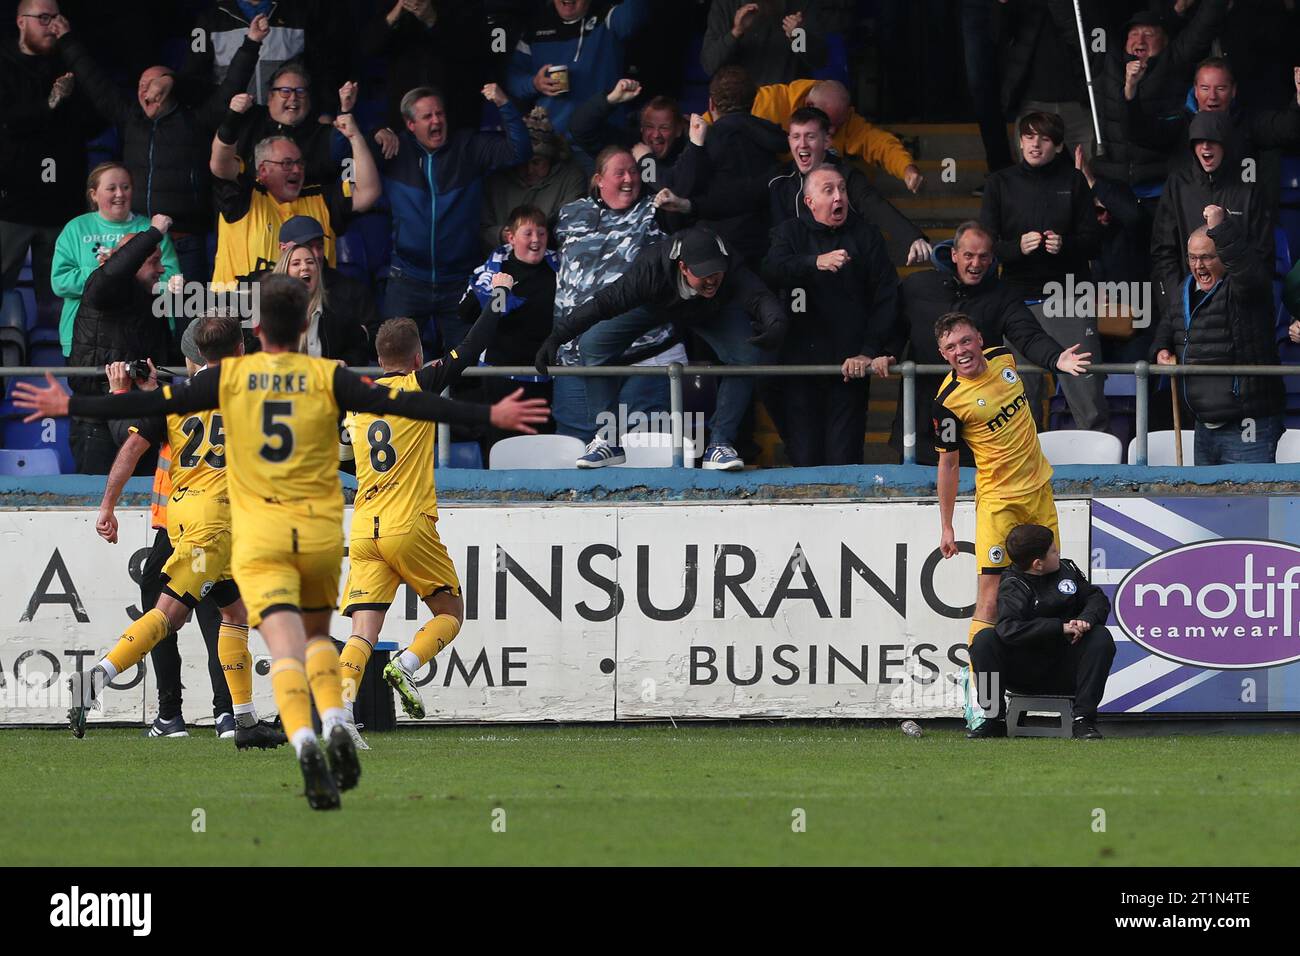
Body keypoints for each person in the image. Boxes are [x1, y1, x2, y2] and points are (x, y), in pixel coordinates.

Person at [14, 275, 550, 810]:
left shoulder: (202, 389)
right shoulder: (304, 381)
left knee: (237, 615)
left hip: (202, 518)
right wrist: (489, 414)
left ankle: (246, 720)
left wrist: (81, 404)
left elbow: (142, 420)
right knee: (201, 617)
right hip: (251, 525)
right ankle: (104, 680)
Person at [77, 318, 286, 750]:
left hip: (184, 510)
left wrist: (107, 505)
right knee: (171, 614)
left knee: (235, 613)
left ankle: (245, 721)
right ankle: (94, 680)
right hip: (218, 519)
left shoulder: (172, 397)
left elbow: (131, 449)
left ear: (198, 356)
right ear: (240, 350)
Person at [338, 303, 507, 746]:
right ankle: (407, 666)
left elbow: (341, 459)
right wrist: (501, 296)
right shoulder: (420, 385)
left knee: (363, 630)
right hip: (408, 524)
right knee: (450, 613)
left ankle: (338, 714)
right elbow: (470, 349)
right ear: (417, 359)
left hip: (363, 526)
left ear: (378, 361)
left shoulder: (356, 405)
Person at [929, 312, 1090, 731]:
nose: (961, 351)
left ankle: (1059, 682)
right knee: (990, 595)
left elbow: (1035, 346)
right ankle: (978, 701)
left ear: (979, 339)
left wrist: (1058, 360)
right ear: (943, 355)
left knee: (1053, 581)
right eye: (951, 348)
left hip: (1039, 493)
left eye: (966, 341)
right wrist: (947, 526)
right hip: (999, 503)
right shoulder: (948, 404)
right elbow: (948, 466)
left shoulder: (1005, 360)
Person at [537, 225, 787, 470]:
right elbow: (604, 303)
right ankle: (608, 440)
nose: (712, 280)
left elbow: (759, 296)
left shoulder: (730, 265)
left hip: (710, 312)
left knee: (747, 356)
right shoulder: (650, 269)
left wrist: (776, 323)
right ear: (683, 267)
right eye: (704, 274)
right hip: (654, 306)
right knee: (593, 345)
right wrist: (557, 337)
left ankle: (720, 444)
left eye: (716, 273)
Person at [49, 13, 266, 284]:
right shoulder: (130, 118)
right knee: (141, 316)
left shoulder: (197, 120)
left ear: (169, 88)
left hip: (186, 240)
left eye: (152, 85)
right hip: (140, 239)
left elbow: (231, 86)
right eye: (140, 85)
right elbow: (95, 83)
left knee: (187, 313)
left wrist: (252, 41)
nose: (144, 91)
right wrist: (67, 39)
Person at [870, 221, 1075, 465]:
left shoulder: (1002, 295)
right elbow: (894, 327)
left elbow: (1027, 335)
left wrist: (1056, 357)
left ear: (992, 259)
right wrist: (885, 352)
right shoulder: (917, 286)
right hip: (923, 416)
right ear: (954, 254)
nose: (975, 264)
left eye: (983, 257)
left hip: (980, 419)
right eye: (968, 255)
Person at [665, 105, 929, 266]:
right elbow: (736, 199)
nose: (802, 145)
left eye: (810, 137)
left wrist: (912, 237)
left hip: (845, 280)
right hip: (796, 282)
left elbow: (875, 206)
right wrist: (687, 205)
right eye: (795, 137)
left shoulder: (846, 178)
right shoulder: (780, 179)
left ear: (827, 142)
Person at [548, 144, 686, 444]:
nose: (629, 178)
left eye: (634, 171)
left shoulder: (657, 210)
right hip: (576, 359)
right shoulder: (570, 213)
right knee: (577, 450)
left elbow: (690, 209)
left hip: (644, 355)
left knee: (645, 450)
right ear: (599, 179)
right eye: (620, 172)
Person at [762, 165, 898, 466]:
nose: (839, 197)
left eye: (843, 189)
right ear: (810, 202)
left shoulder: (866, 235)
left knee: (844, 459)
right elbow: (771, 271)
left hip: (849, 369)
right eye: (829, 190)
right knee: (804, 457)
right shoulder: (790, 233)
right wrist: (814, 263)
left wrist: (869, 352)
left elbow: (887, 296)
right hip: (800, 369)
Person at [980, 110, 1106, 430]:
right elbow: (986, 245)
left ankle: (1095, 475)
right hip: (1018, 303)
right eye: (1029, 136)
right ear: (1020, 142)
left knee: (1087, 397)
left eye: (1045, 138)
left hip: (1070, 298)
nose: (1036, 144)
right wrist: (1015, 249)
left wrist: (1065, 245)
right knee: (1021, 401)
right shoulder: (999, 182)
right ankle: (1026, 474)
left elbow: (1094, 242)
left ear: (1059, 146)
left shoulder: (1073, 181)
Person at [380, 83, 530, 351]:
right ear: (410, 124)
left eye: (440, 114)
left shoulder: (468, 147)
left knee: (465, 368)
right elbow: (342, 153)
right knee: (396, 361)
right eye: (427, 117)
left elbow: (520, 151)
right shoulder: (397, 150)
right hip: (408, 278)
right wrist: (374, 132)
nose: (437, 120)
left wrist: (503, 103)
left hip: (460, 279)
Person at [1152, 207, 1285, 466]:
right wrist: (1161, 350)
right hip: (1203, 427)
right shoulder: (1185, 289)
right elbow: (1167, 327)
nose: (1198, 265)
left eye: (1206, 257)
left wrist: (1222, 229)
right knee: (1206, 507)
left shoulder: (1245, 290)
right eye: (1192, 258)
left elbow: (1249, 273)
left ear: (1223, 255)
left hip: (1248, 427)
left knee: (1249, 506)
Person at [1, 0, 103, 328]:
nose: (51, 25)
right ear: (20, 21)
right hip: (11, 206)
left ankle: (69, 377)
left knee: (64, 305)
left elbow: (97, 119)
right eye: (43, 18)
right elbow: (9, 121)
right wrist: (51, 103)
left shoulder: (68, 60)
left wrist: (72, 49)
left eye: (56, 18)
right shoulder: (4, 63)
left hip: (62, 208)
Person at [210, 97, 380, 286]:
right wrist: (232, 118)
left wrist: (354, 137)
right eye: (287, 163)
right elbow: (220, 164)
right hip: (241, 308)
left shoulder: (319, 197)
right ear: (263, 170)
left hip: (310, 310)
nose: (297, 170)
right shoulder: (244, 196)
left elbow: (368, 192)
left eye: (300, 163)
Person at [967, 523, 1115, 740]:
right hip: (1025, 672)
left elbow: (1096, 599)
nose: (1058, 554)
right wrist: (1059, 627)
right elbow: (1009, 628)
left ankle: (1084, 720)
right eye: (1053, 551)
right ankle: (993, 719)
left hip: (1067, 670)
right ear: (1037, 564)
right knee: (984, 640)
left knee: (1101, 637)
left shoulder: (1067, 571)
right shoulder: (1013, 584)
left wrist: (1086, 619)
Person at [67, 221, 176, 474]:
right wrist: (153, 234)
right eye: (154, 260)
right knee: (95, 508)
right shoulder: (102, 286)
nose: (162, 269)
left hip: (144, 417)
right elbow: (115, 272)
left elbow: (168, 357)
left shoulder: (153, 301)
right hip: (98, 422)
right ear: (134, 260)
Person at [1149, 111, 1272, 327]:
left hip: (1239, 309)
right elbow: (1163, 252)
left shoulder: (1249, 189)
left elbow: (1262, 254)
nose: (1205, 147)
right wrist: (1175, 307)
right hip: (1188, 308)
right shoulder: (1178, 184)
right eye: (1199, 141)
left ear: (1226, 144)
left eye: (1212, 140)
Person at [1093, 4, 1228, 192]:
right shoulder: (1106, 61)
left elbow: (1205, 25)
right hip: (1112, 181)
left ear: (1165, 41)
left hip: (1160, 182)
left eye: (1149, 34)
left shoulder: (1175, 60)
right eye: (1134, 34)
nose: (1140, 40)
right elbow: (1074, 21)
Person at [51, 163, 182, 358]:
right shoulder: (76, 228)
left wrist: (119, 273)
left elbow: (173, 281)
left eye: (125, 187)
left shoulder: (151, 229)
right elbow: (60, 282)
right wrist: (103, 271)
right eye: (111, 188)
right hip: (86, 339)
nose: (120, 194)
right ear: (94, 194)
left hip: (143, 338)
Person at [461, 205, 560, 452]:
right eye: (528, 233)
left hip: (545, 379)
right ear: (510, 237)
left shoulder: (560, 268)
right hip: (500, 380)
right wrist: (498, 293)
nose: (536, 239)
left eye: (541, 232)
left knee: (542, 452)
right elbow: (464, 312)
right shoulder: (493, 271)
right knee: (502, 449)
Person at [505, 0, 651, 142]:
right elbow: (512, 78)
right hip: (551, 142)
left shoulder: (607, 15)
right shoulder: (535, 25)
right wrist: (534, 84)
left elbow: (633, 17)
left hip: (598, 141)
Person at [750, 78, 924, 193]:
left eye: (837, 125)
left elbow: (878, 143)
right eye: (827, 124)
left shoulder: (845, 119)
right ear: (808, 105)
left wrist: (906, 168)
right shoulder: (767, 102)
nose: (832, 132)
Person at [480, 108, 587, 251]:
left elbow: (572, 226)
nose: (529, 170)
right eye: (522, 163)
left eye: (536, 162)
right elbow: (481, 228)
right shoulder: (496, 182)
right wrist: (502, 235)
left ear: (550, 160)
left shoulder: (570, 178)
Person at [273, 242, 371, 364]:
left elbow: (360, 351)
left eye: (310, 262)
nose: (304, 267)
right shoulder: (270, 313)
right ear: (285, 273)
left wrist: (345, 362)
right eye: (296, 263)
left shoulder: (339, 310)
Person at [701, 1, 828, 86]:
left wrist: (797, 37)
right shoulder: (726, 4)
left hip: (787, 102)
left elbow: (819, 60)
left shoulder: (801, 4)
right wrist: (736, 32)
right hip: (740, 106)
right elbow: (710, 65)